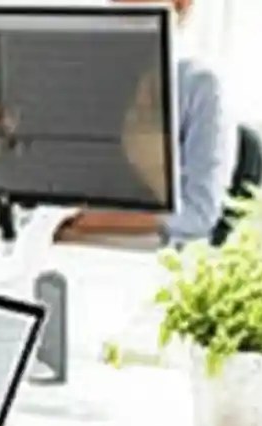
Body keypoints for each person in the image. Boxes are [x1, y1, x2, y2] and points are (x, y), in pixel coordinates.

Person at [57, 0, 237, 248]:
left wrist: (85, 222)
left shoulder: (201, 87)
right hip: (74, 245)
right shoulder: (89, 77)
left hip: (150, 253)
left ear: (182, 6)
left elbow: (199, 215)